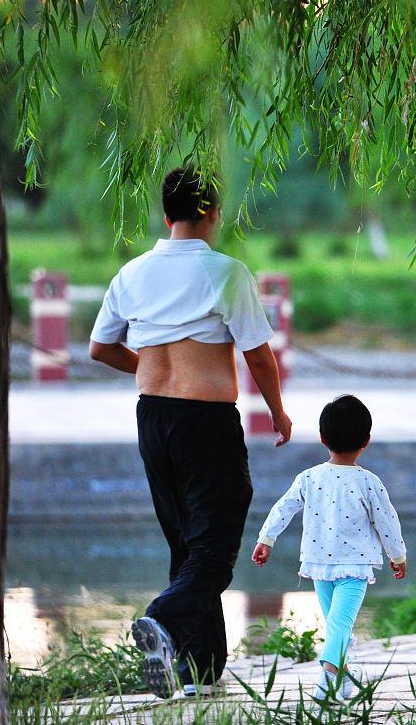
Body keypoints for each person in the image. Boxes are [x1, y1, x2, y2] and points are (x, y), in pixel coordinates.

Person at [88, 166, 292, 699]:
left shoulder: (131, 273)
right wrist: (277, 411)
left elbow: (99, 348)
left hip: (153, 417)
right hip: (206, 419)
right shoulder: (226, 272)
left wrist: (147, 369)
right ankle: (164, 619)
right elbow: (259, 357)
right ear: (212, 213)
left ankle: (199, 669)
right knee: (216, 541)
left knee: (186, 539)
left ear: (165, 214)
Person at [251, 394, 407, 703]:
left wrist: (266, 539)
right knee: (339, 625)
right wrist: (398, 555)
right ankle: (327, 682)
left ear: (323, 438)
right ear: (367, 440)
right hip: (354, 568)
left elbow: (284, 508)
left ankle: (344, 678)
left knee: (337, 625)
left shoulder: (309, 477)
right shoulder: (369, 482)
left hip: (319, 564)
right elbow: (387, 522)